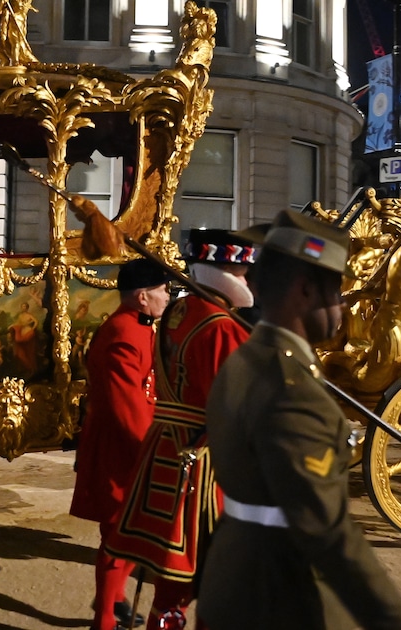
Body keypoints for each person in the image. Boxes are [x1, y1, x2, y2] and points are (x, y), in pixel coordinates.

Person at [197, 210, 401, 629]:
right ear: (304, 290)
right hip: (281, 595)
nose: (342, 307)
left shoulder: (247, 357)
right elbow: (328, 533)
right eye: (335, 293)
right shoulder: (291, 389)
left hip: (234, 578)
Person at [104, 230, 253, 629]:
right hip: (207, 464)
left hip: (169, 450)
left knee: (173, 583)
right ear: (226, 271)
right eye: (243, 271)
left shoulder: (178, 312)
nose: (248, 280)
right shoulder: (222, 328)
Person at [71, 258, 169, 630]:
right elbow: (127, 408)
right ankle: (105, 620)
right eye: (162, 290)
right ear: (143, 296)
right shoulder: (124, 334)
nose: (167, 296)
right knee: (120, 536)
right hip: (121, 449)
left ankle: (112, 599)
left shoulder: (139, 325)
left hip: (131, 445)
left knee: (131, 532)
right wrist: (154, 451)